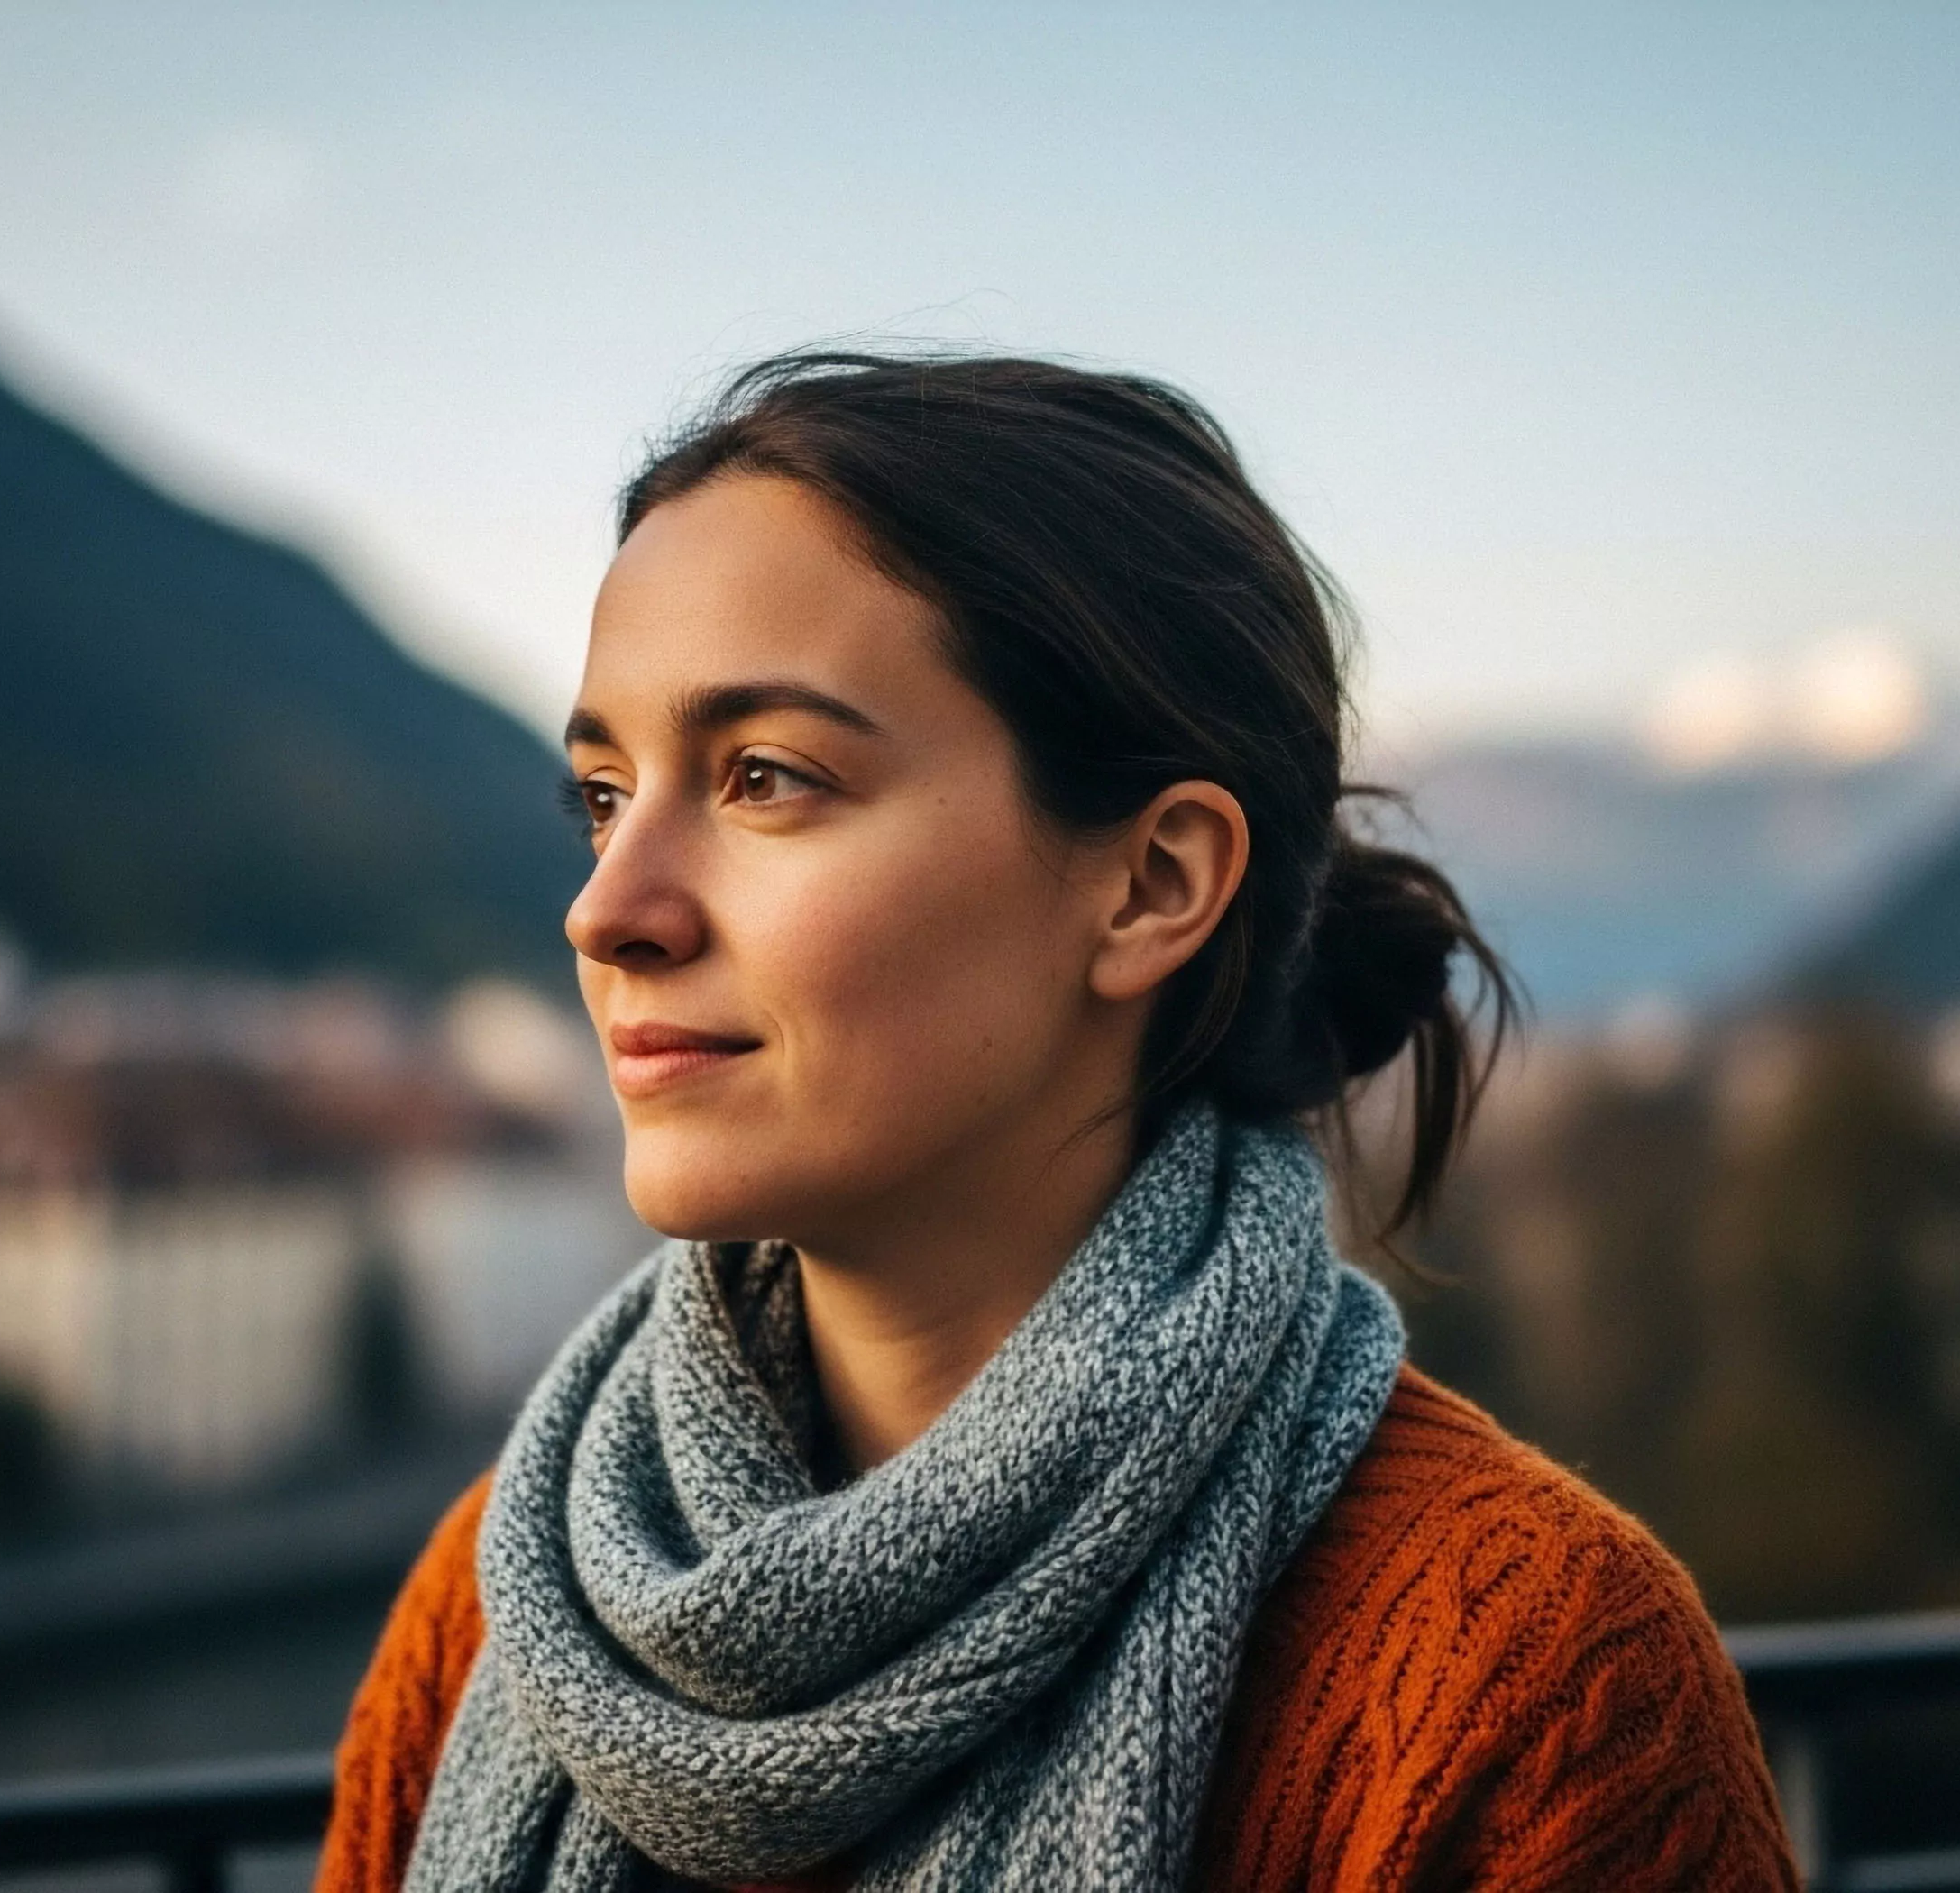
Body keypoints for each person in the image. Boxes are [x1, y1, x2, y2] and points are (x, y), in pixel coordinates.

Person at [317, 353, 1794, 1892]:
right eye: (604, 796)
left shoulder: (1529, 1686)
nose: (605, 909)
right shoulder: (508, 1605)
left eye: (765, 778)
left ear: (1151, 884)